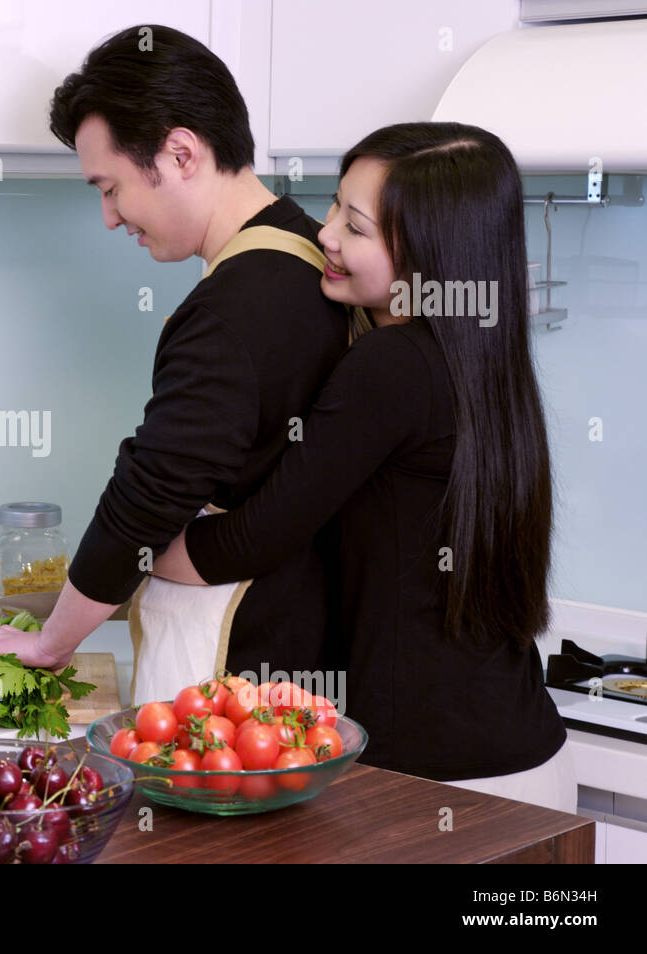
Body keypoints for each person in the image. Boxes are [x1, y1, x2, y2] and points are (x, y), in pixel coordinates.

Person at [149, 122, 573, 812]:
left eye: (357, 226)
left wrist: (137, 550)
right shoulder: (487, 357)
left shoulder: (390, 365)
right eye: (333, 208)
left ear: (429, 255)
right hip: (530, 758)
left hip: (439, 786)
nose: (327, 236)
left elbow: (258, 534)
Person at [0, 25, 355, 690]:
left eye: (109, 186)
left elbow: (148, 497)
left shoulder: (231, 310)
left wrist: (50, 642)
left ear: (181, 154)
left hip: (229, 671)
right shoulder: (308, 253)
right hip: (306, 654)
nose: (109, 216)